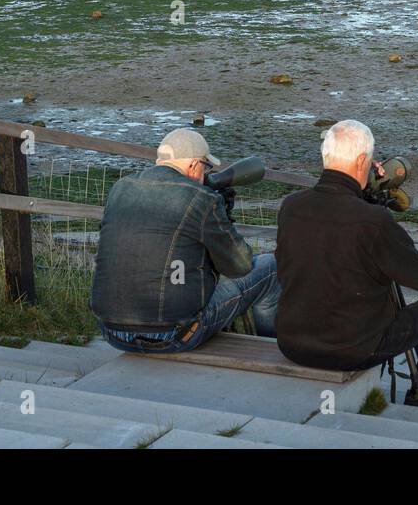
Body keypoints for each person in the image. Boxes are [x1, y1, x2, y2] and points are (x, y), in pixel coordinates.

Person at [276, 120, 418, 411]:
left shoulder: (291, 207)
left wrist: (362, 194)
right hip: (352, 348)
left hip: (292, 343)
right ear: (363, 161)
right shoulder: (372, 221)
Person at [90, 128, 281, 354]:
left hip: (112, 331)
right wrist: (221, 217)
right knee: (269, 267)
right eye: (206, 167)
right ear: (193, 165)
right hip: (174, 335)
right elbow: (240, 265)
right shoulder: (201, 198)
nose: (205, 175)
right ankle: (271, 350)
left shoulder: (120, 188)